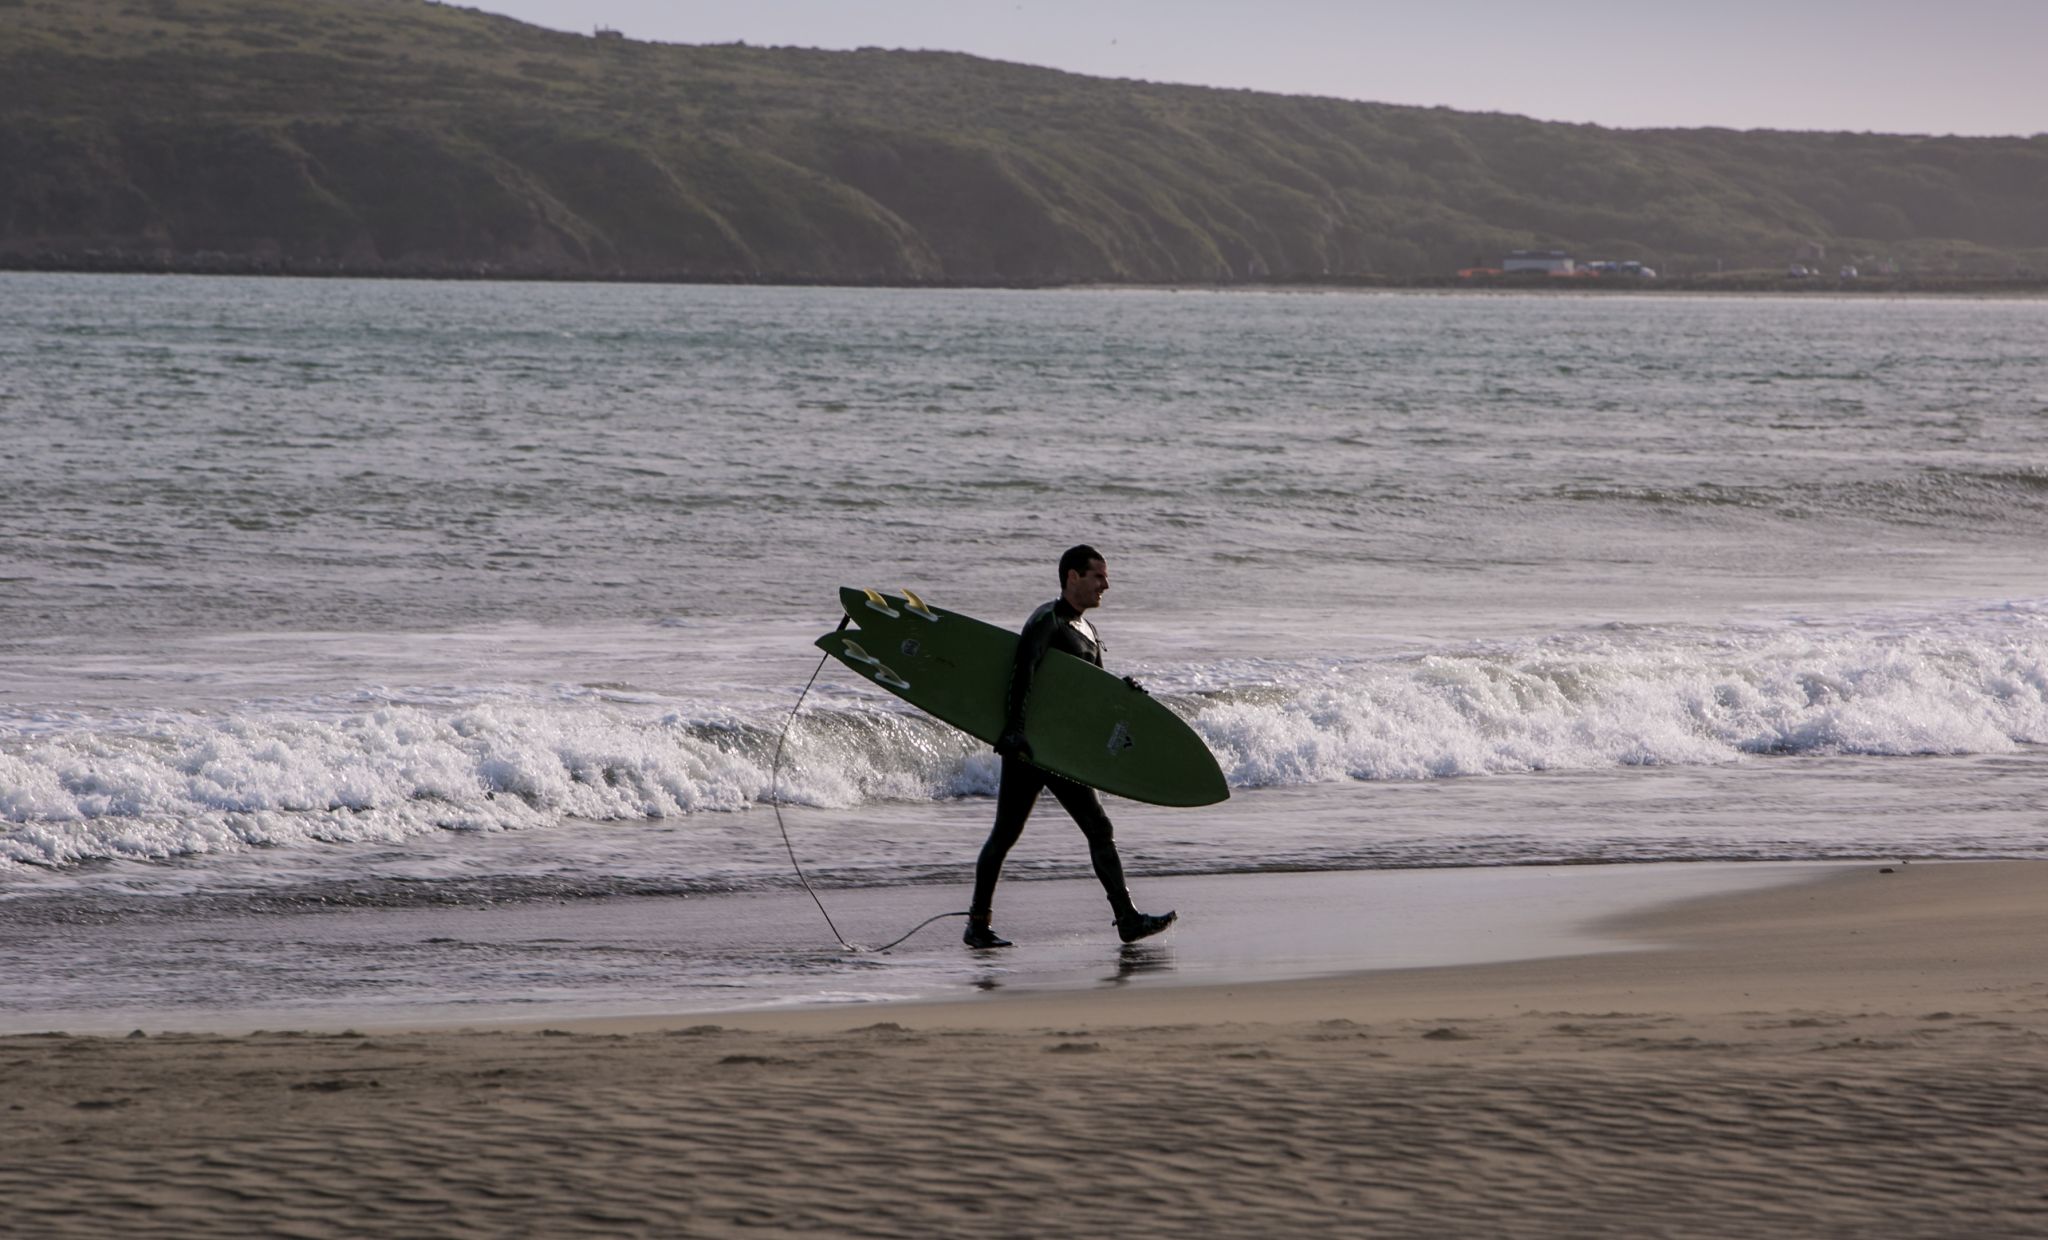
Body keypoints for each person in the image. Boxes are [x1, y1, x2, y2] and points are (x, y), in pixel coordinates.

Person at [964, 544, 1178, 949]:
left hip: (1061, 749)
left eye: (1105, 576)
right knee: (1013, 833)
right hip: (1033, 749)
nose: (1106, 585)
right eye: (1098, 576)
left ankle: (979, 923)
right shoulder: (1047, 621)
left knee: (1077, 829)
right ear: (1072, 577)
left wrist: (1123, 693)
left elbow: (1089, 694)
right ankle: (980, 923)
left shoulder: (1087, 631)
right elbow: (1022, 672)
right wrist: (1014, 731)